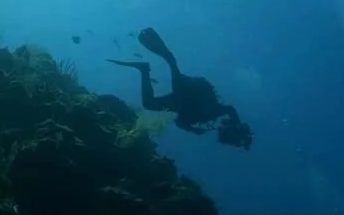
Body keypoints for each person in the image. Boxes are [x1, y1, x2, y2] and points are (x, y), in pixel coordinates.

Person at [107, 27, 252, 150]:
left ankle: (145, 69)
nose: (222, 132)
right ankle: (167, 58)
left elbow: (180, 122)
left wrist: (193, 130)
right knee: (172, 69)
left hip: (183, 101)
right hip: (191, 93)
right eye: (228, 136)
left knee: (149, 103)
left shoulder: (210, 120)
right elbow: (231, 109)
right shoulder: (216, 112)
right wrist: (236, 124)